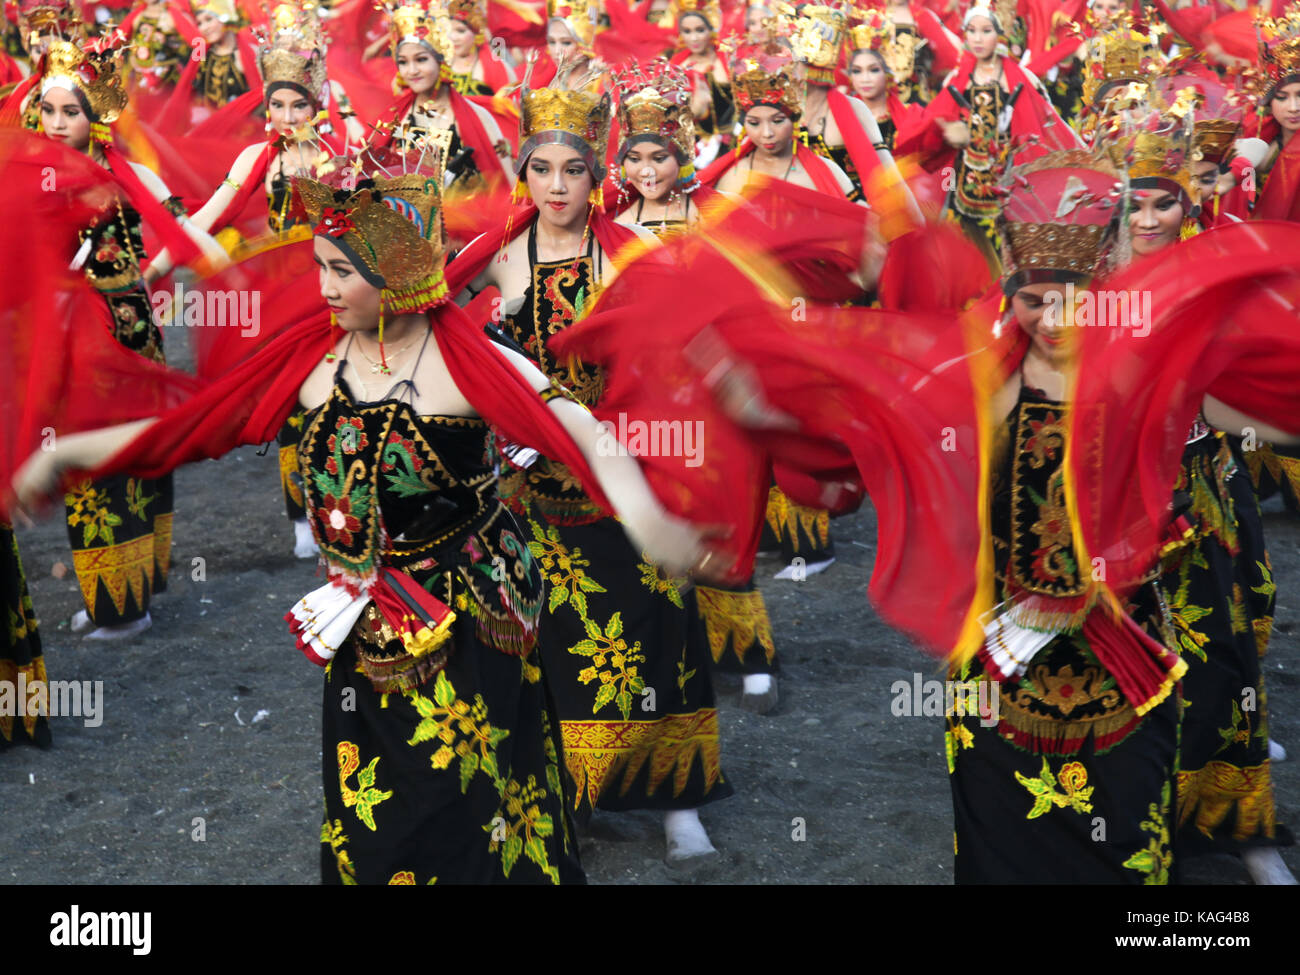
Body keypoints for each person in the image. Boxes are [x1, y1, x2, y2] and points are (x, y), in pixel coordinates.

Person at [8, 139, 726, 883]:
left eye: (343, 271)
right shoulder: (311, 359)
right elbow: (196, 425)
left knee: (469, 804)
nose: (324, 286)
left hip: (469, 615)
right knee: (372, 804)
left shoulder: (470, 361)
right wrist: (67, 455)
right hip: (363, 622)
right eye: (321, 266)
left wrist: (652, 526)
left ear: (399, 274)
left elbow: (585, 434)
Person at [453, 75, 735, 860]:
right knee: (550, 641)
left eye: (571, 170)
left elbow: (687, 350)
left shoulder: (632, 250)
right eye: (540, 169)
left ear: (596, 172)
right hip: (532, 489)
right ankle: (575, 790)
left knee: (660, 624)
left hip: (627, 473)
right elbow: (454, 349)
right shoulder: (499, 258)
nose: (555, 186)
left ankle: (680, 800)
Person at [1101, 96, 1297, 885]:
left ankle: (1242, 826)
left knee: (1223, 652)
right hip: (1109, 494)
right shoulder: (1076, 276)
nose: (1147, 218)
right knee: (1123, 663)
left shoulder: (1212, 272)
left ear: (1189, 201)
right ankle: (1133, 823)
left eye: (1164, 202)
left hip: (1203, 484)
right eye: (1133, 202)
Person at [39, 35, 225, 641]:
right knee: (86, 461)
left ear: (95, 115)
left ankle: (124, 604)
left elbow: (186, 225)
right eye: (50, 111)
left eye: (73, 111)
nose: (60, 122)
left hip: (126, 333)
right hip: (71, 336)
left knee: (120, 455)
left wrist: (152, 270)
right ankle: (110, 595)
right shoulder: (38, 178)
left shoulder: (125, 172)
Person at [611, 60, 781, 710]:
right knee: (654, 522)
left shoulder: (716, 218)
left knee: (718, 515)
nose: (647, 170)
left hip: (710, 391)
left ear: (682, 153)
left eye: (659, 156)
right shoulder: (613, 225)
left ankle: (749, 649)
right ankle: (668, 649)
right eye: (635, 158)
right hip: (639, 395)